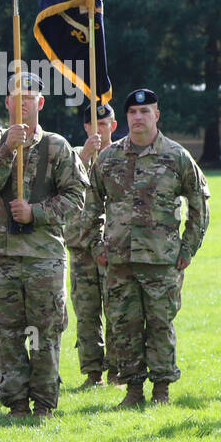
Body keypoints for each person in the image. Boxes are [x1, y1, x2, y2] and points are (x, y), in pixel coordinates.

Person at [81, 88, 210, 407]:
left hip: (162, 261)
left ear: (157, 115)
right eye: (133, 113)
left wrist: (186, 250)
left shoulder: (177, 156)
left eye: (145, 112)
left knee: (160, 326)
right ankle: (133, 389)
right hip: (119, 261)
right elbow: (90, 206)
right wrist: (97, 246)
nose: (138, 117)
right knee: (124, 327)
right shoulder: (109, 159)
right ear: (126, 118)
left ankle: (162, 390)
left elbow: (199, 206)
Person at [0, 73, 88, 418]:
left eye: (29, 97)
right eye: (15, 97)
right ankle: (16, 403)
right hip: (1, 257)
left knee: (44, 332)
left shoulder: (56, 146)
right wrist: (8, 149)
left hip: (43, 258)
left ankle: (44, 403)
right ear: (6, 103)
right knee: (5, 333)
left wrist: (35, 213)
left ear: (40, 103)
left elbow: (76, 197)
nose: (22, 103)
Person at [64, 102, 121, 387]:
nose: (99, 128)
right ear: (86, 127)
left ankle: (117, 370)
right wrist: (86, 155)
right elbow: (65, 185)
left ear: (113, 125)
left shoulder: (122, 156)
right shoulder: (73, 155)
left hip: (112, 246)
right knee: (86, 314)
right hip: (80, 246)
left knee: (116, 310)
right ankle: (92, 372)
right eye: (93, 124)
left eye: (105, 123)